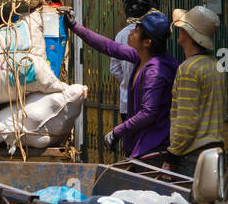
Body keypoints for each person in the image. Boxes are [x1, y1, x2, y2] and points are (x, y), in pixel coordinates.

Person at [68, 9, 177, 158]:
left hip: (154, 147)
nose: (131, 32)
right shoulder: (141, 57)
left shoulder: (156, 70)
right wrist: (74, 26)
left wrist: (117, 132)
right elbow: (109, 46)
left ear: (147, 42)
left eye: (137, 30)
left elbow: (148, 113)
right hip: (142, 143)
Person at [168, 6, 227, 177]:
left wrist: (172, 154)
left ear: (187, 34)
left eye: (181, 28)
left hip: (194, 156)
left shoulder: (188, 69)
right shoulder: (216, 66)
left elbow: (186, 122)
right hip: (216, 151)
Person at [111, 0, 157, 121]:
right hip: (148, 103)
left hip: (126, 103)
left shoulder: (121, 35)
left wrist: (128, 80)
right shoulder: (154, 32)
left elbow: (114, 68)